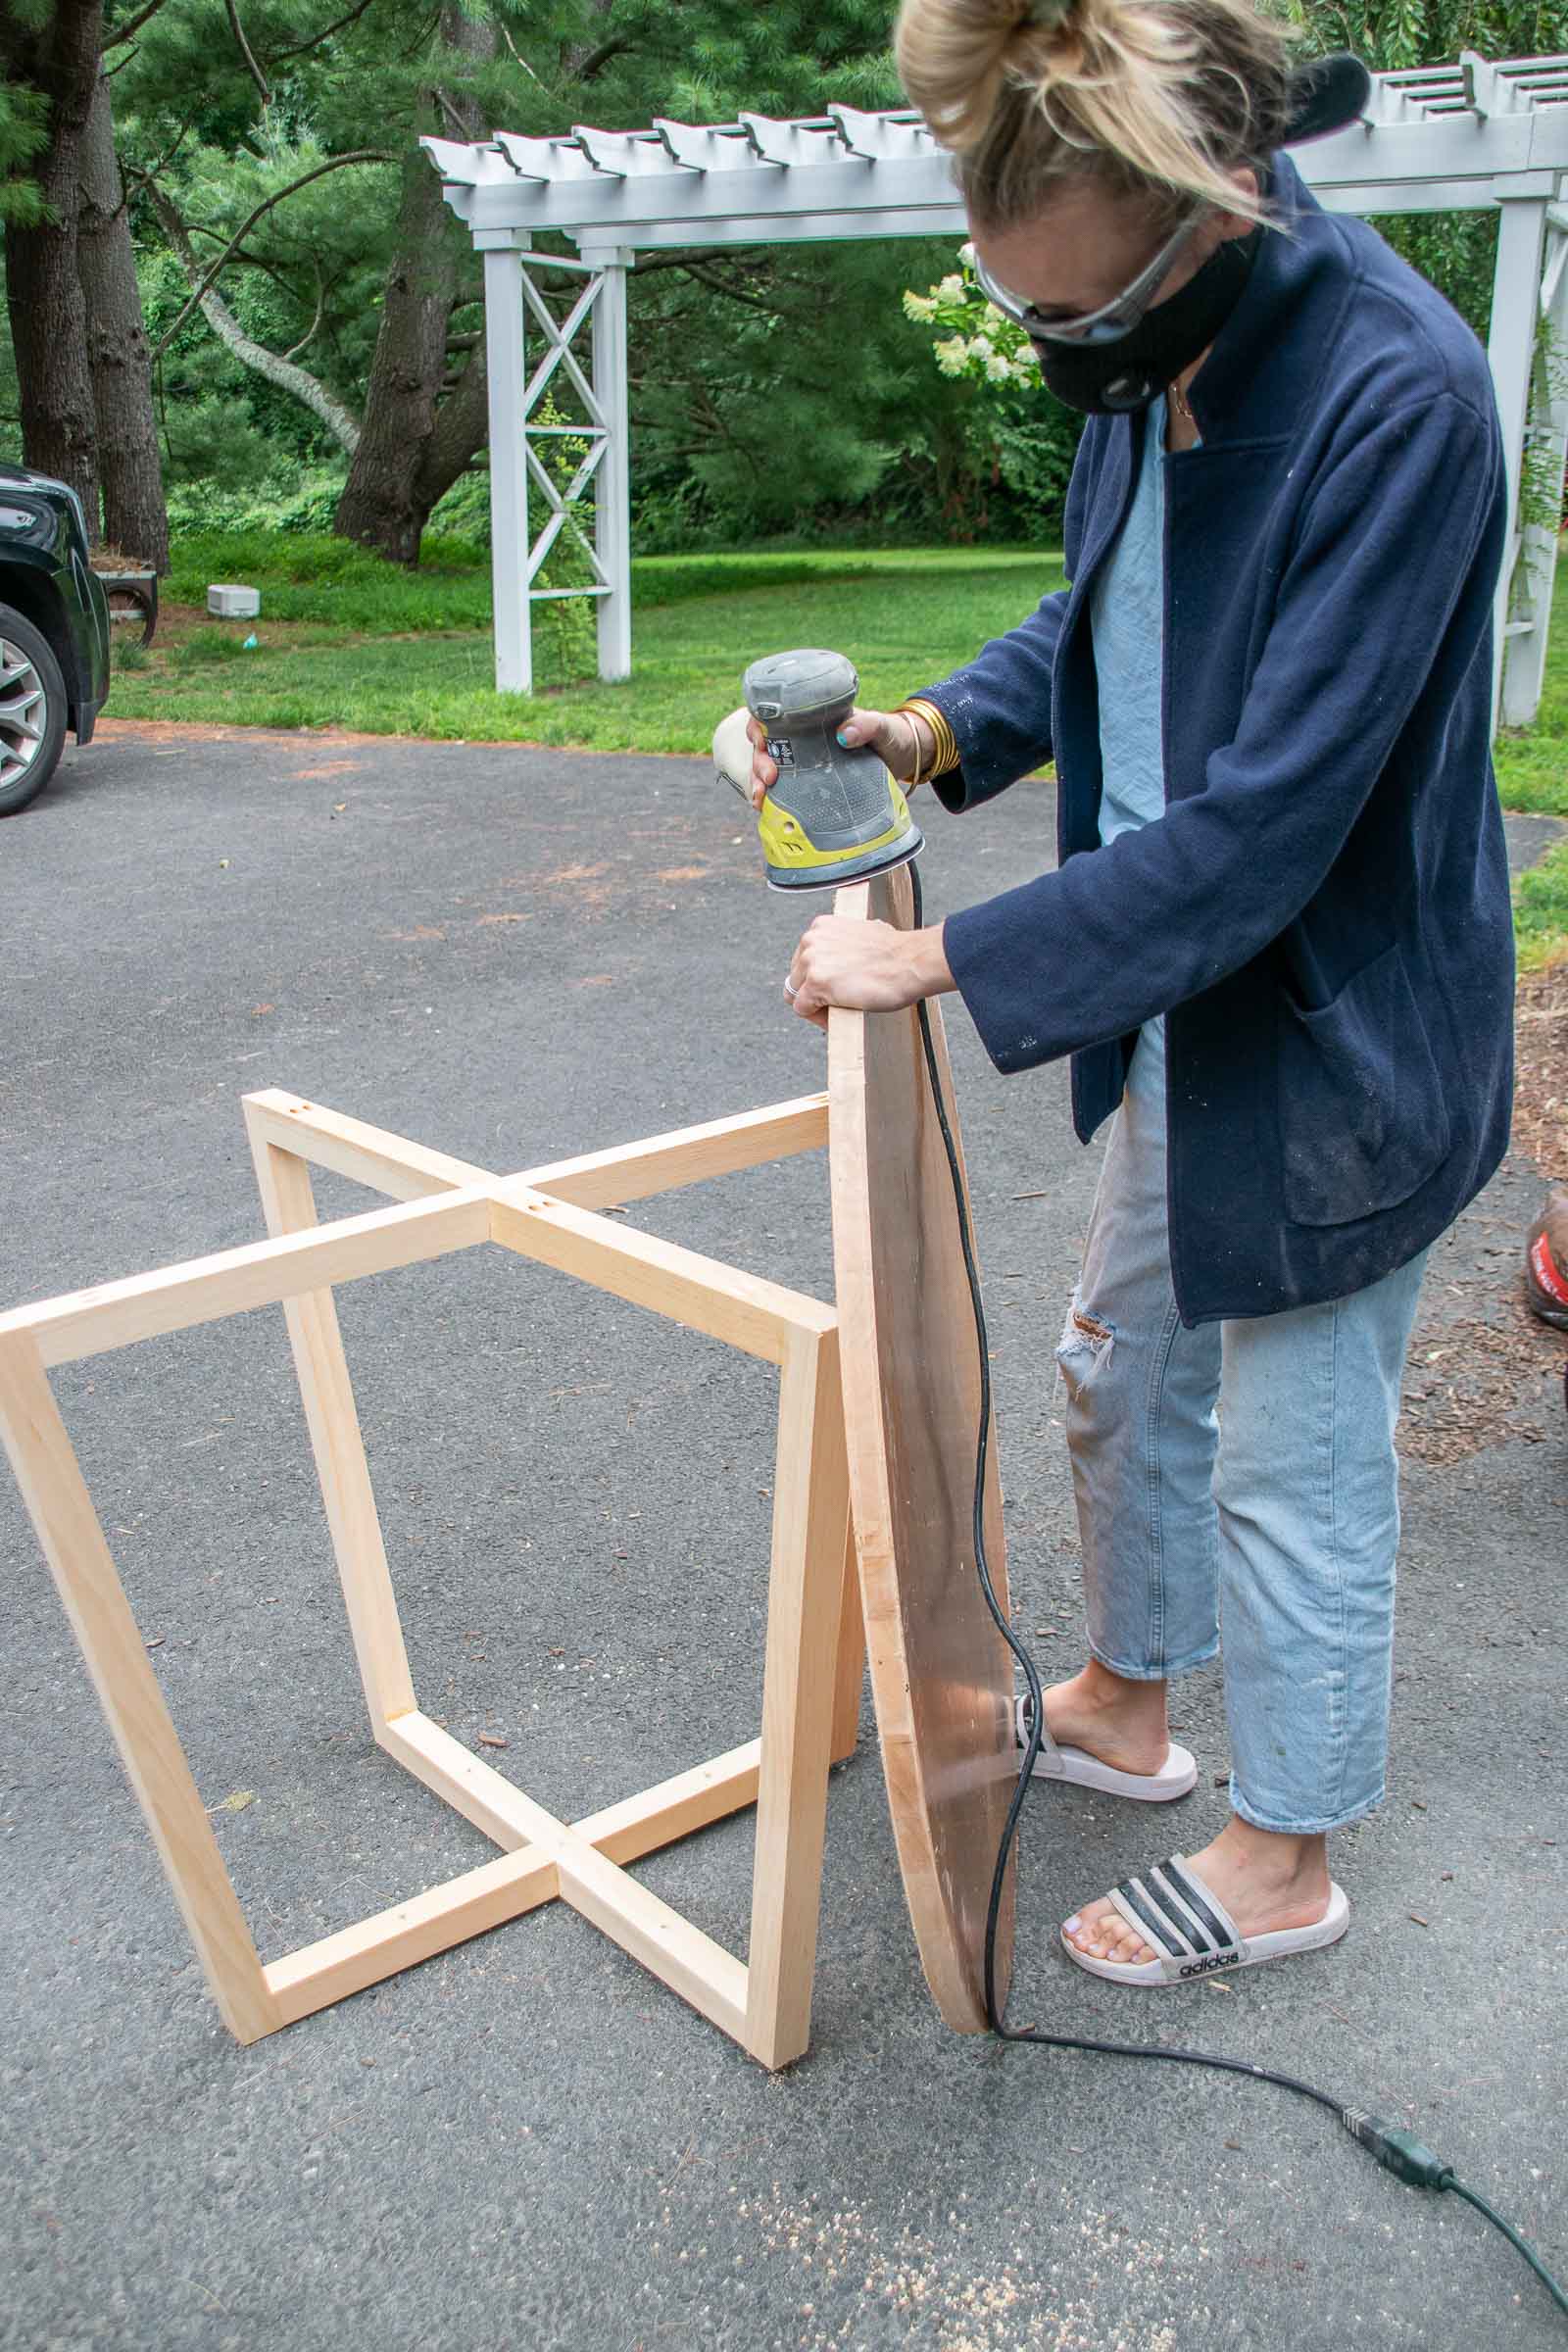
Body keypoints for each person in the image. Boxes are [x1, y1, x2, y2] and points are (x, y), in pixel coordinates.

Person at [751, 0, 1514, 1985]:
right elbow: (1098, 615)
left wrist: (932, 954)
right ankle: (1125, 1697)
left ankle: (1283, 1858)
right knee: (1119, 1365)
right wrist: (930, 731)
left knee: (1292, 1456)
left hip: (1335, 1032)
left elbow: (1265, 834)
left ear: (1215, 201)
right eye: (1033, 318)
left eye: (1085, 317)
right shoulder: (1151, 356)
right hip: (1184, 1002)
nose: (1064, 358)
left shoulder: (1398, 397)